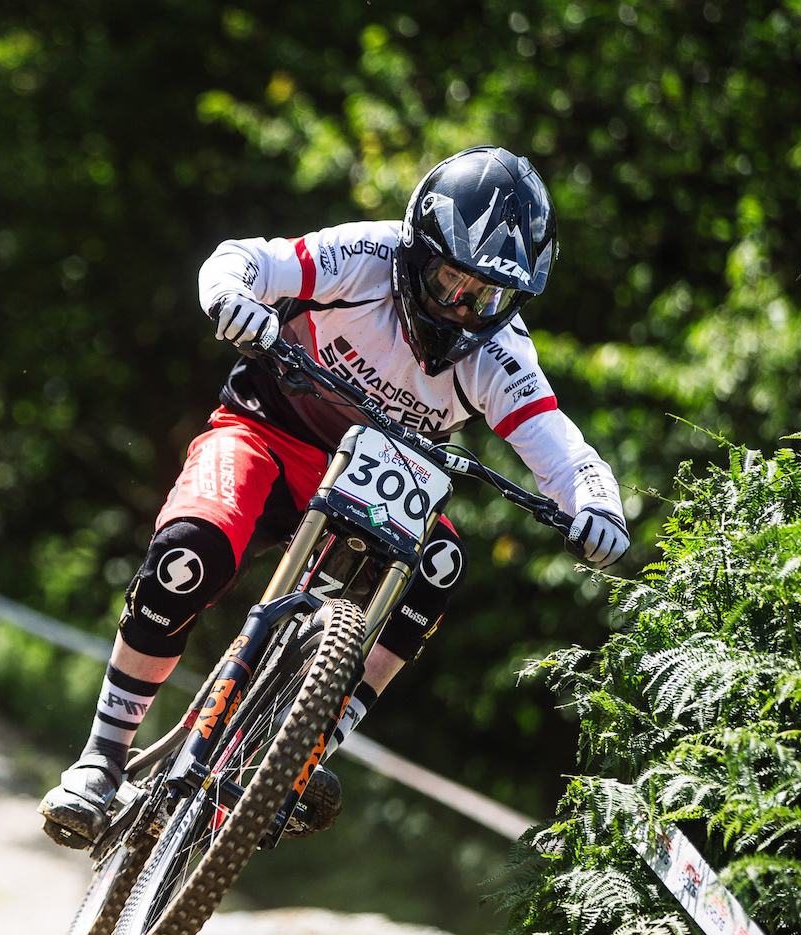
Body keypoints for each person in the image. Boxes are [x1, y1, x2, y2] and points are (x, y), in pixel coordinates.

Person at [39, 146, 630, 849]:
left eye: (490, 298)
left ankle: (306, 750)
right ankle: (102, 759)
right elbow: (243, 260)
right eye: (450, 281)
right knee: (187, 554)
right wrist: (233, 299)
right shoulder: (366, 254)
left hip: (388, 478)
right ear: (417, 252)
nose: (464, 311)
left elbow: (564, 452)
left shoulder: (500, 354)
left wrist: (598, 507)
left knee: (440, 564)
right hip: (267, 434)